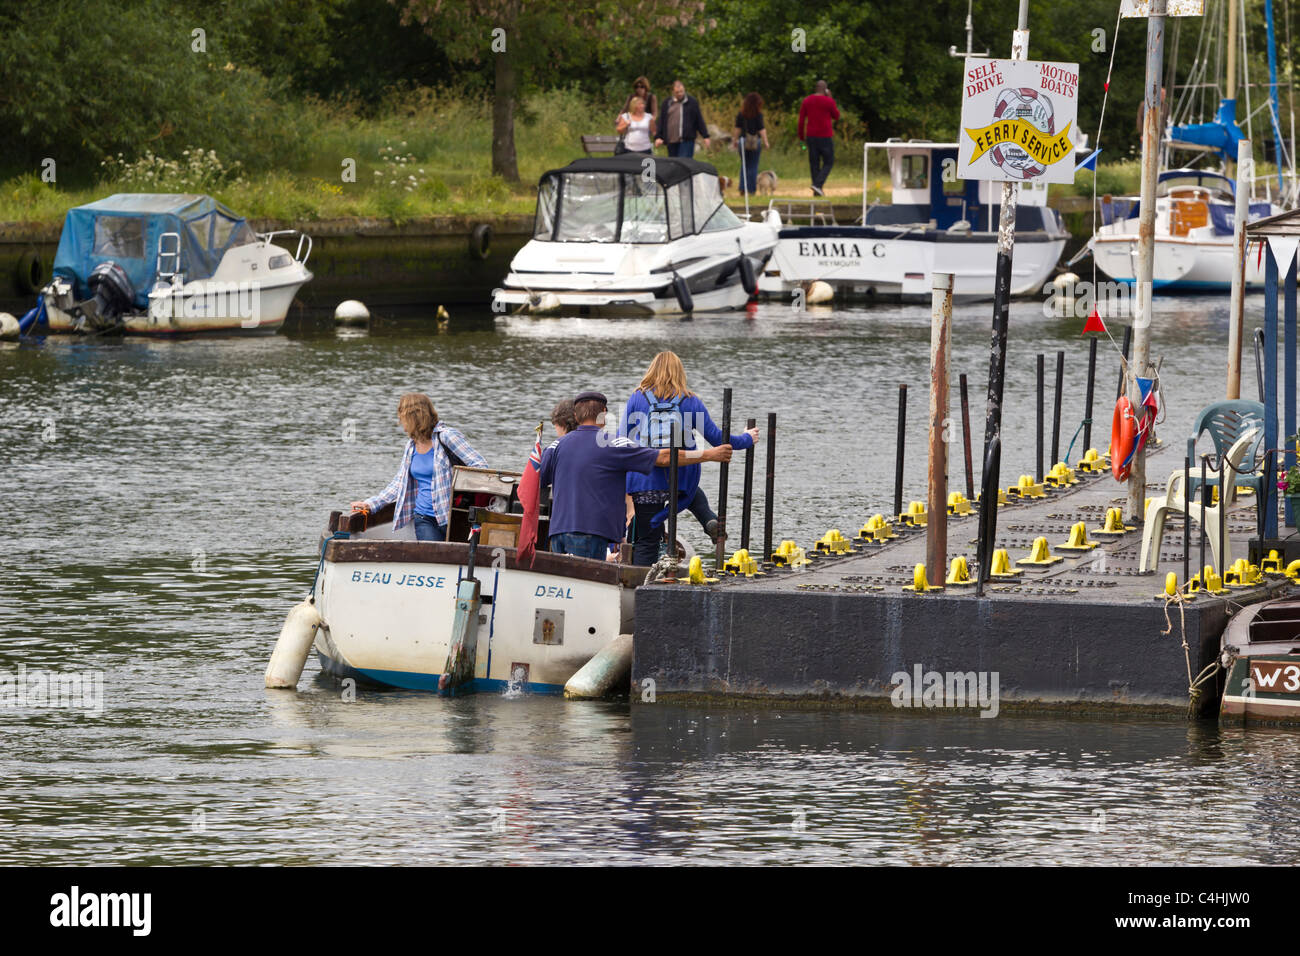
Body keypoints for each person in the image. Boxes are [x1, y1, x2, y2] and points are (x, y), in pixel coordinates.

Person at [539, 390, 732, 560]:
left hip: (558, 532)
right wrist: (709, 455)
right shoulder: (613, 444)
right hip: (592, 532)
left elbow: (535, 482)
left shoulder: (554, 446)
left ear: (575, 415)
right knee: (585, 582)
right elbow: (664, 458)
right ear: (603, 414)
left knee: (568, 580)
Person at [621, 352, 759, 566]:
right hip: (677, 479)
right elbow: (719, 440)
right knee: (690, 490)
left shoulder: (637, 398)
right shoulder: (690, 401)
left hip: (644, 481)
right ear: (680, 372)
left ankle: (641, 588)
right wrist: (747, 438)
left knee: (646, 541)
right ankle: (709, 519)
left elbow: (623, 441)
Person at [351, 392, 487, 542]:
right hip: (423, 518)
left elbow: (480, 466)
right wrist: (371, 503)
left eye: (402, 417)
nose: (400, 422)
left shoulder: (447, 437)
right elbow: (399, 483)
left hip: (454, 517)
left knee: (451, 560)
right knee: (432, 560)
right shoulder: (411, 446)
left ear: (413, 417)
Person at [798, 80, 840, 196]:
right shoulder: (828, 101)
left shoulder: (807, 101)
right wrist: (831, 98)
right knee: (829, 162)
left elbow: (801, 121)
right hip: (825, 136)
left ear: (815, 88)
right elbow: (836, 116)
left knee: (814, 163)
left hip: (811, 136)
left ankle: (817, 190)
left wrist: (801, 136)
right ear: (825, 90)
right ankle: (817, 185)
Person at [654, 80, 710, 158]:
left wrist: (705, 136)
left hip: (687, 139)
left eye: (681, 91)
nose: (680, 94)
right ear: (673, 92)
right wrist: (658, 137)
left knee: (684, 163)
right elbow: (661, 121)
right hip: (671, 140)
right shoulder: (667, 103)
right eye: (677, 92)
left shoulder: (692, 102)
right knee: (673, 163)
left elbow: (699, 120)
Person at [732, 92, 769, 195]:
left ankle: (743, 188)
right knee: (753, 166)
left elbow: (737, 128)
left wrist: (734, 141)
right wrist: (766, 141)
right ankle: (751, 189)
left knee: (744, 165)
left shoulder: (741, 114)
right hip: (754, 142)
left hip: (742, 141)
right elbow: (761, 129)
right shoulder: (758, 115)